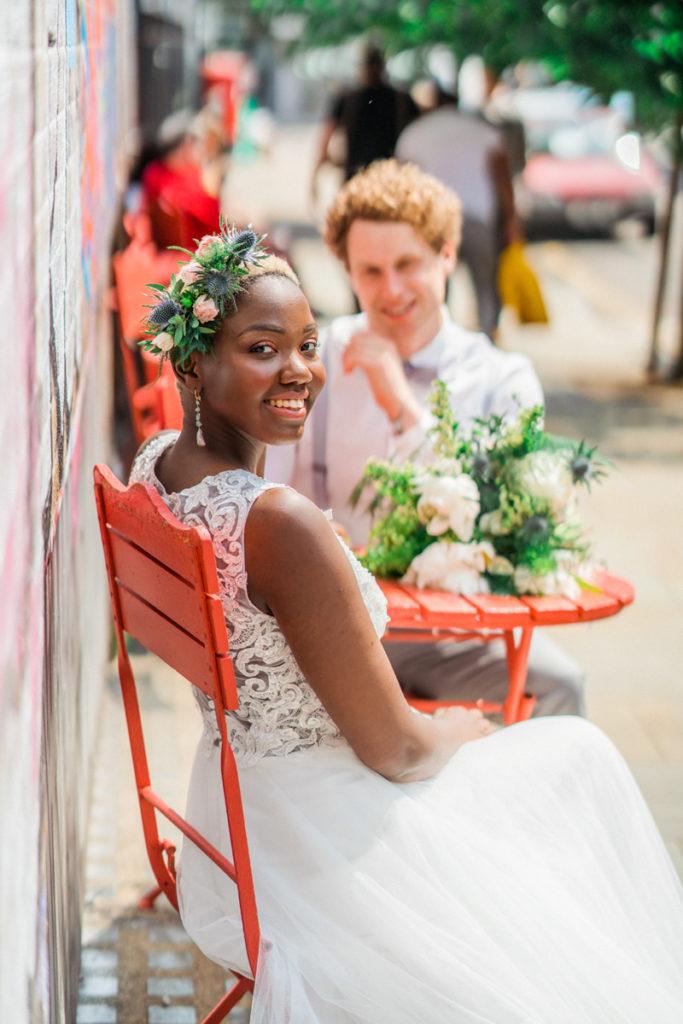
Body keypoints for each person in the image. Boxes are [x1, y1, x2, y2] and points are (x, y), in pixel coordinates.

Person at [128, 227, 683, 1022]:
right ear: (191, 364)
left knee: (561, 762)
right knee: (580, 757)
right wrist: (457, 727)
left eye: (308, 344)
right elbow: (395, 748)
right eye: (261, 348)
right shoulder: (278, 524)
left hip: (234, 818)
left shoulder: (160, 467)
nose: (298, 370)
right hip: (312, 849)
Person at [267, 159, 583, 718]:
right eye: (369, 271)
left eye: (407, 264)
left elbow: (502, 522)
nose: (390, 290)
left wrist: (403, 406)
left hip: (452, 633)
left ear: (448, 255)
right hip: (339, 627)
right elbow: (267, 488)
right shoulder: (317, 361)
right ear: (347, 271)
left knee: (561, 684)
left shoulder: (501, 378)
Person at [395, 87, 521, 339]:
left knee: (435, 288)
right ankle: (487, 338)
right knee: (485, 286)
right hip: (477, 218)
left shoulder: (415, 133)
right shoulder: (482, 131)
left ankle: (437, 340)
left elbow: (403, 186)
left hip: (433, 223)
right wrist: (511, 221)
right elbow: (503, 179)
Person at [312, 43, 419, 194]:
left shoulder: (349, 97)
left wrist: (315, 175)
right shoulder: (400, 99)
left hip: (364, 180)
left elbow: (326, 136)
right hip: (388, 181)